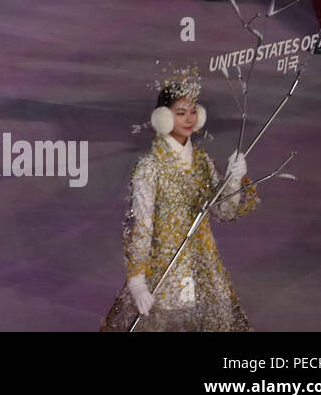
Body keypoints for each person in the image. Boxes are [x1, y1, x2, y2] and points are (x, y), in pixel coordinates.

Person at [100, 69, 257, 331]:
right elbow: (141, 225)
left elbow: (225, 212)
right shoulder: (149, 167)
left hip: (204, 266)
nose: (188, 118)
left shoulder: (202, 161)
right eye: (180, 112)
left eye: (192, 111)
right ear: (163, 117)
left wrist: (233, 180)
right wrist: (137, 280)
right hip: (165, 267)